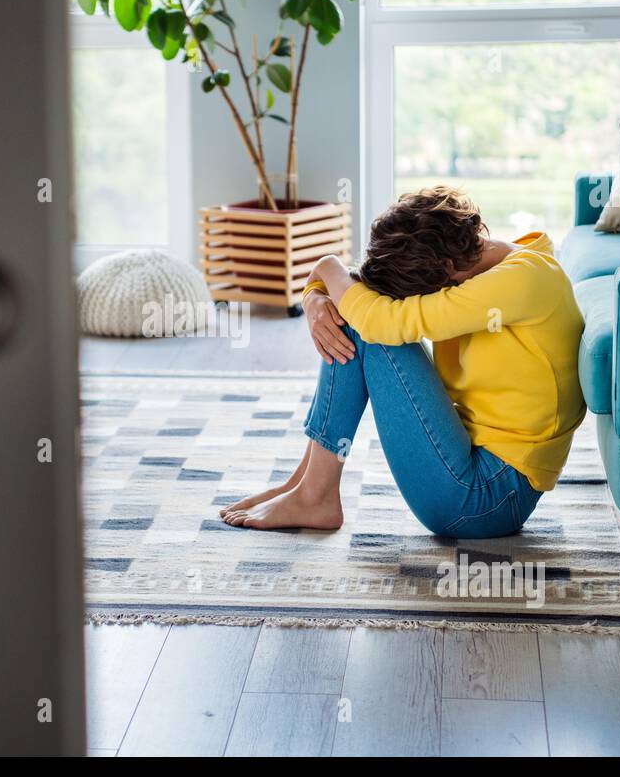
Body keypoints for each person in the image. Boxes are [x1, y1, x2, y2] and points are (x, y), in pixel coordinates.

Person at [220, 186, 586, 538]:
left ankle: (315, 493)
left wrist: (325, 265)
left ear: (446, 267)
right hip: (473, 465)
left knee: (368, 326)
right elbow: (361, 293)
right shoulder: (493, 263)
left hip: (483, 500)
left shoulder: (520, 283)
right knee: (356, 313)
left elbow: (378, 318)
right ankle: (306, 484)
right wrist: (316, 293)